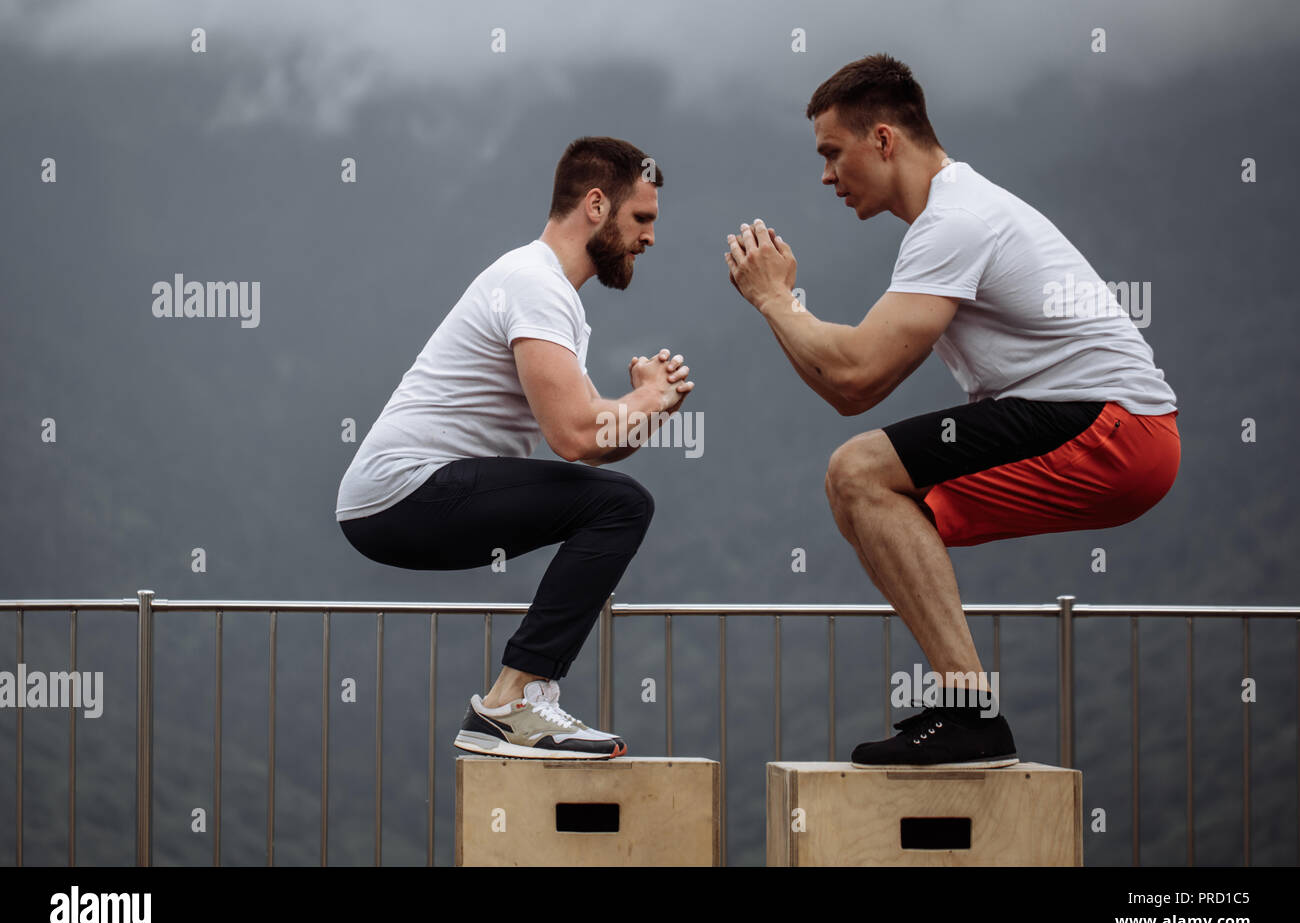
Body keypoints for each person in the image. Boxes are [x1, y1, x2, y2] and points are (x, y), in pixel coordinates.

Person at [725, 54, 1179, 768]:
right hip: (1118, 430)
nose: (825, 176)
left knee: (861, 471)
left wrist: (775, 300)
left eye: (831, 153)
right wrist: (780, 307)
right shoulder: (955, 213)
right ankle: (969, 714)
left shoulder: (956, 222)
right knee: (866, 497)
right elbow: (842, 386)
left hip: (1112, 427)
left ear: (883, 139)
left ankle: (971, 712)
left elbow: (857, 378)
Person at [337, 136, 693, 759]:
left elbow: (591, 450)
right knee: (623, 507)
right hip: (404, 491)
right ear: (595, 205)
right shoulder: (534, 284)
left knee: (618, 503)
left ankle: (513, 702)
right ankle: (513, 702)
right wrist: (648, 400)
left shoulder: (548, 295)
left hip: (393, 502)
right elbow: (576, 435)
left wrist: (648, 410)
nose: (650, 238)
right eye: (642, 218)